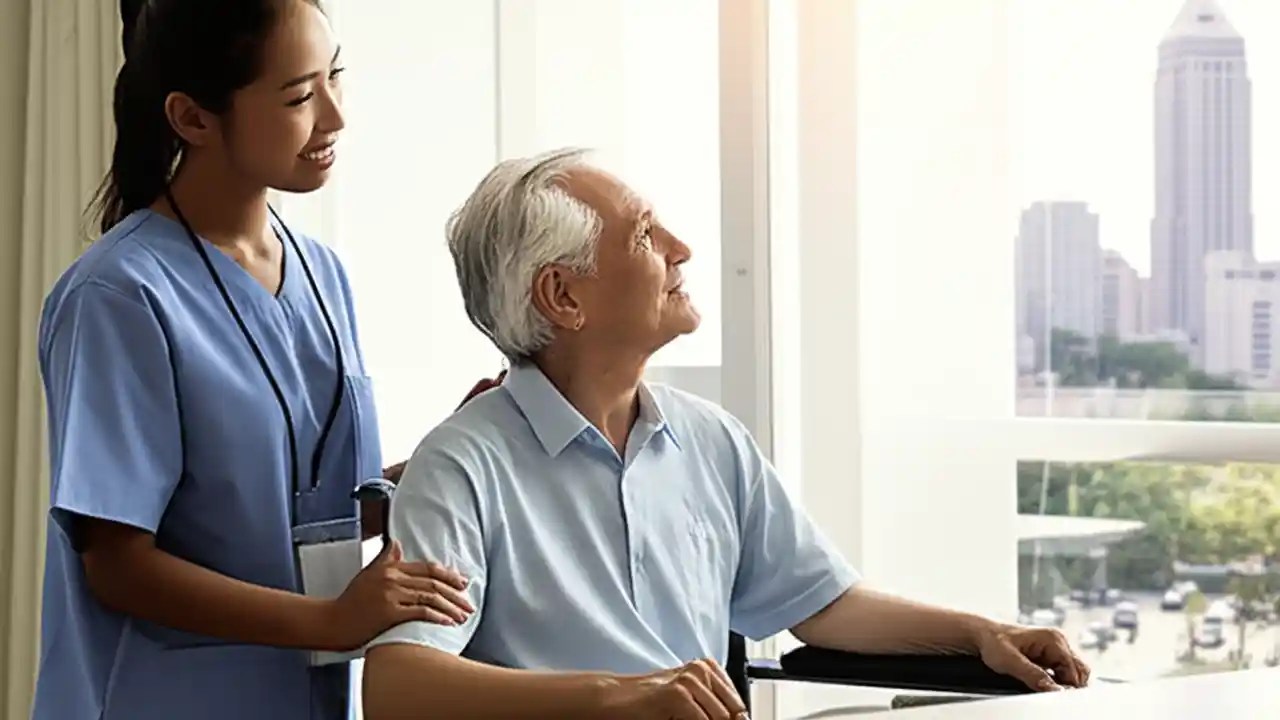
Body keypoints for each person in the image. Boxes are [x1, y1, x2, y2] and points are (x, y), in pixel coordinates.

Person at [360, 148, 1092, 719]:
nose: (681, 248)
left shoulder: (710, 440)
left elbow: (823, 604)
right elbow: (400, 688)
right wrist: (620, 698)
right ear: (563, 295)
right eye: (646, 234)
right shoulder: (461, 464)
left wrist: (979, 634)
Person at [32, 1, 484, 718]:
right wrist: (331, 621)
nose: (334, 118)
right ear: (193, 118)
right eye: (301, 96)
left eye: (336, 79)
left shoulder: (323, 274)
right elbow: (117, 566)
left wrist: (448, 454)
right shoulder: (117, 296)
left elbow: (304, 516)